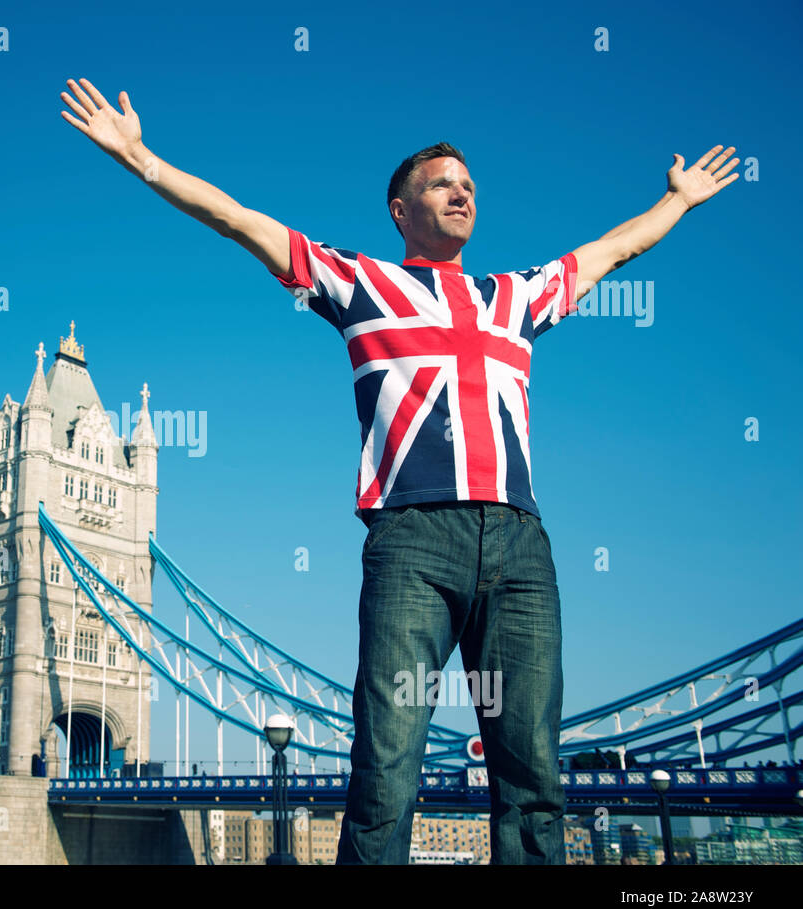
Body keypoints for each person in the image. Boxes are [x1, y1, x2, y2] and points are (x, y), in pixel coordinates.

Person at [59, 76, 739, 864]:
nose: (462, 194)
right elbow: (238, 219)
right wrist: (141, 156)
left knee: (534, 777)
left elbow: (613, 249)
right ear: (401, 209)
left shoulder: (517, 296)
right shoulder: (360, 284)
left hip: (521, 546)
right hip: (414, 541)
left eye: (470, 186)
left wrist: (679, 202)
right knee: (386, 767)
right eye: (443, 183)